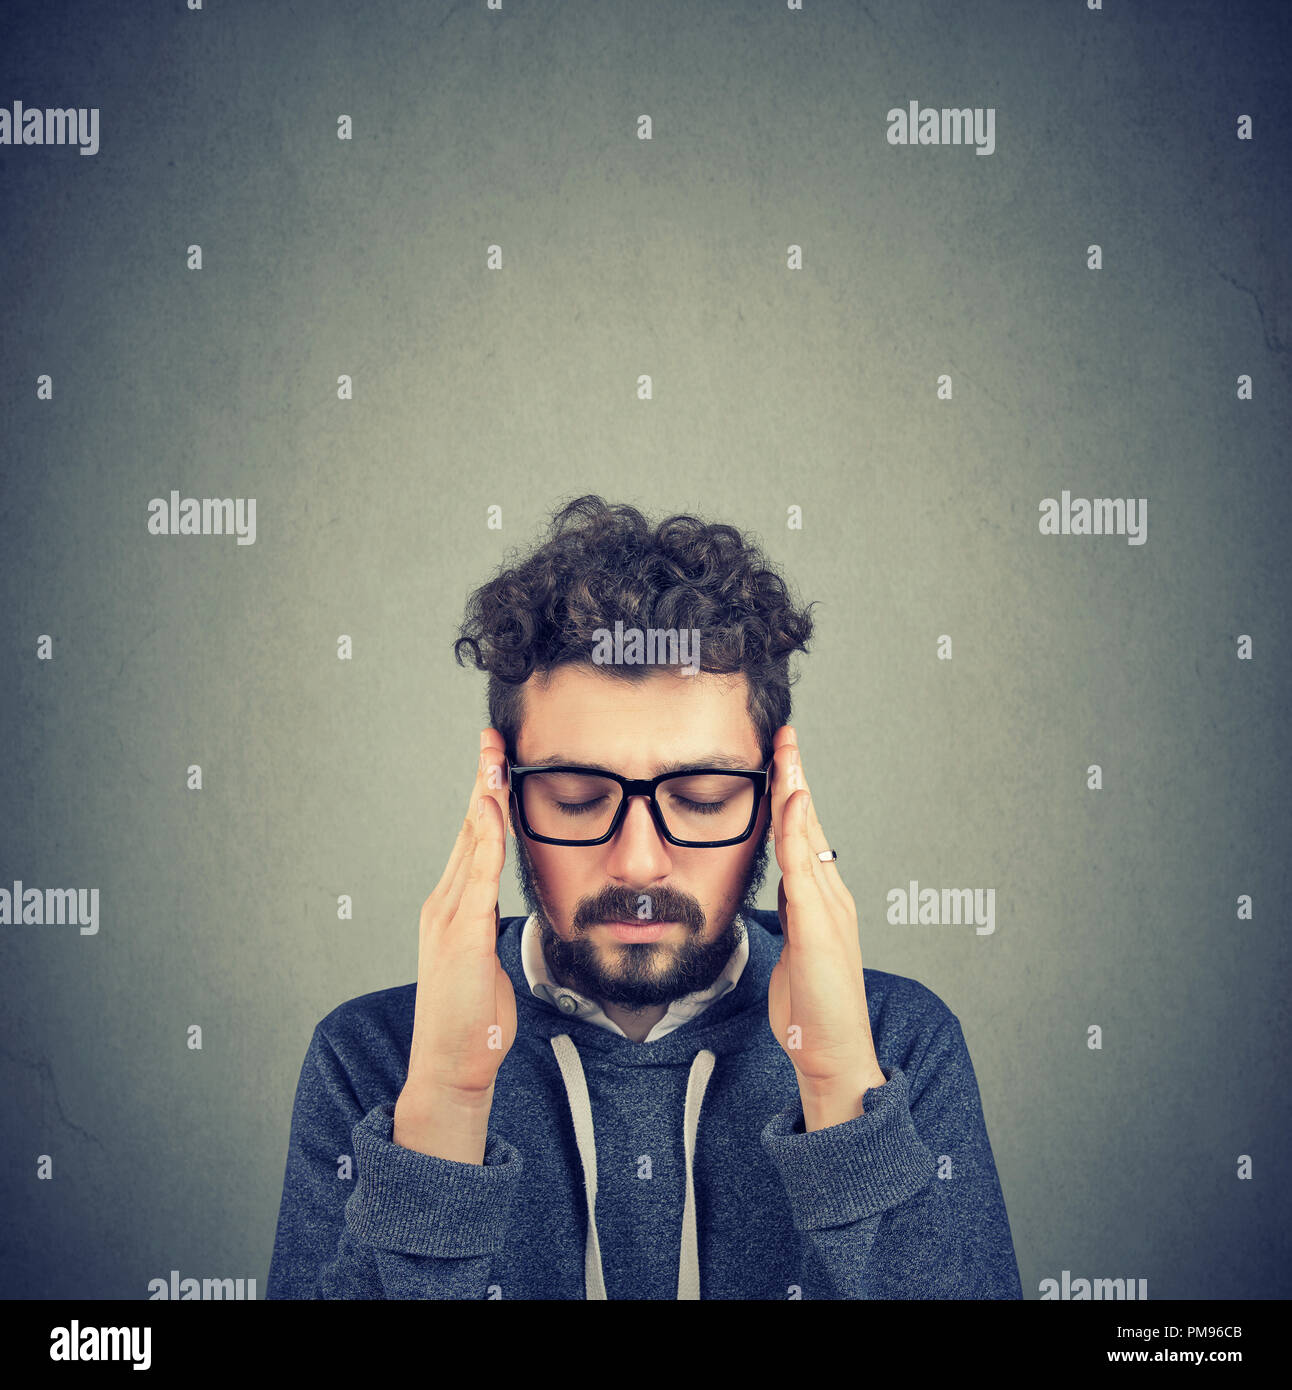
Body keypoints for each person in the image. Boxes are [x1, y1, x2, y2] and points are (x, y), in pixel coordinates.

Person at [267, 496, 1022, 1299]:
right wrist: (444, 1108)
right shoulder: (372, 1061)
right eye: (575, 797)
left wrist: (841, 1088)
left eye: (699, 797)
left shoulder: (899, 1047)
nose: (637, 864)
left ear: (774, 801)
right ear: (503, 798)